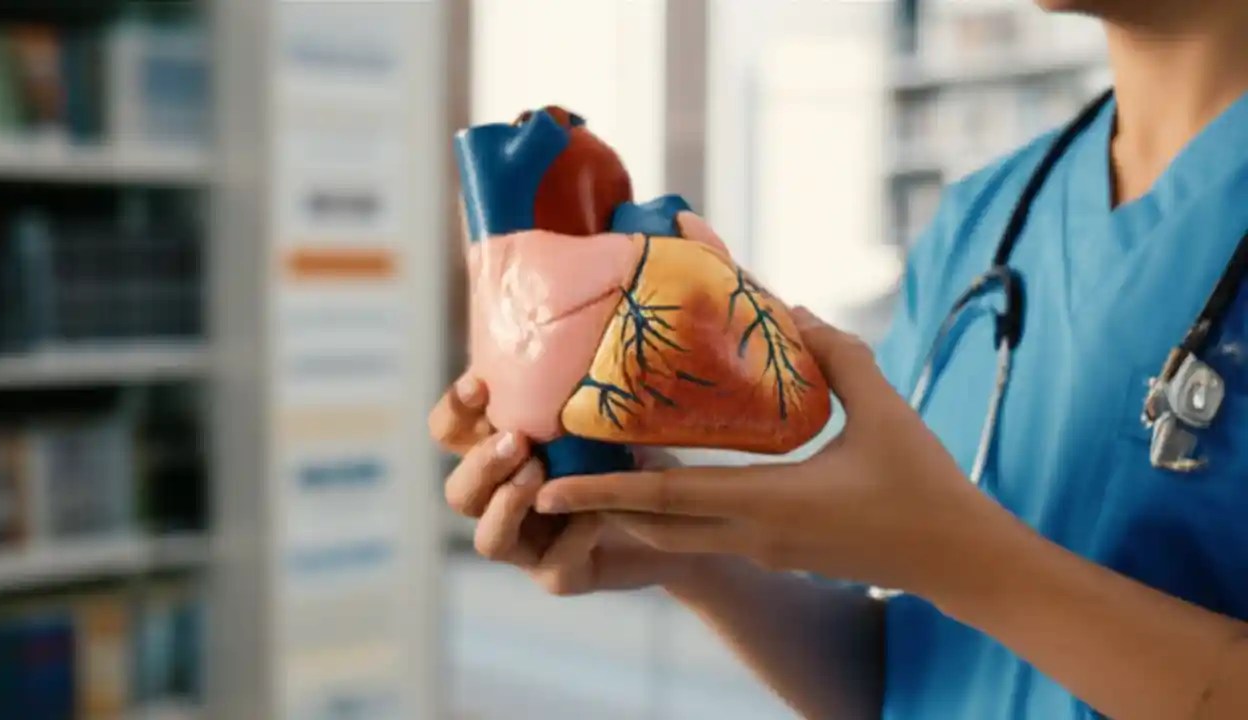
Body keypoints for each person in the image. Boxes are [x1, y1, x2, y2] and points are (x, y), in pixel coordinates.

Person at [428, 0, 1248, 717]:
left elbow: (964, 574)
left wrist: (963, 559)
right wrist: (686, 545)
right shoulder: (986, 220)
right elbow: (913, 680)